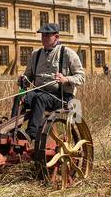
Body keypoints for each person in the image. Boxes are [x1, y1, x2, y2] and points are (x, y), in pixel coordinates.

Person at [18, 23, 86, 153]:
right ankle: (13, 132)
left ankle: (31, 135)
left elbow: (81, 77)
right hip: (40, 92)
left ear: (56, 37)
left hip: (61, 96)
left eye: (47, 35)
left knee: (40, 98)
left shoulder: (68, 53)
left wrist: (66, 79)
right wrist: (23, 80)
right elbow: (28, 76)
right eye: (42, 35)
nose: (44, 38)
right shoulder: (35, 54)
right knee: (21, 98)